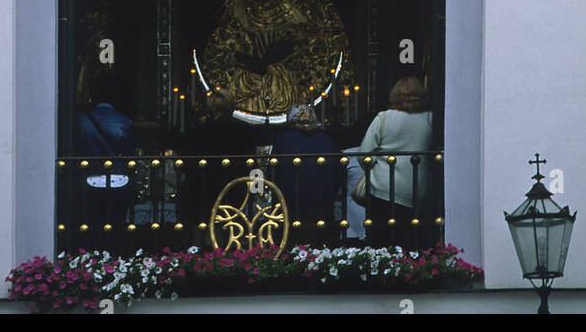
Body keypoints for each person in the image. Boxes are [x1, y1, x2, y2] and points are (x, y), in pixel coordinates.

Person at [356, 77, 433, 247]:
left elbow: (364, 156)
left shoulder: (384, 118)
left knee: (379, 242)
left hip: (382, 189)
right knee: (410, 243)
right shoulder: (430, 120)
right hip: (415, 191)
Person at [181, 89, 257, 226]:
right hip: (236, 186)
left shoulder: (200, 131)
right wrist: (258, 189)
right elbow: (252, 162)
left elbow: (189, 162)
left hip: (205, 187)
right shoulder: (245, 129)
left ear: (210, 107)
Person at [75, 67, 137, 229]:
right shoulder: (124, 122)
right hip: (118, 179)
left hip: (91, 178)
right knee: (116, 225)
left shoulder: (82, 122)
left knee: (93, 225)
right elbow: (130, 154)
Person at [271, 104, 340, 240]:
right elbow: (338, 172)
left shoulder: (283, 140)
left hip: (291, 198)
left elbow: (272, 172)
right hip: (321, 197)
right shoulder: (326, 139)